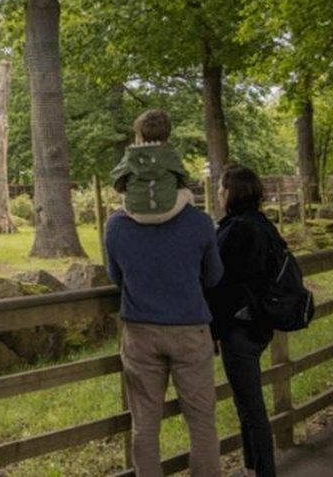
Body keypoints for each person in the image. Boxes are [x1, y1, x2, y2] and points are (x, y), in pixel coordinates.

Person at [105, 111, 224, 477]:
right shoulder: (200, 222)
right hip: (190, 328)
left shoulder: (116, 225)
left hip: (140, 330)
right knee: (201, 421)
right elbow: (215, 277)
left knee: (145, 423)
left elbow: (115, 277)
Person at [205, 164, 277, 477]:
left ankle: (263, 470)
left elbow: (221, 287)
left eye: (221, 188)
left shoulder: (234, 231)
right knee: (246, 404)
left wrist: (215, 331)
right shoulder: (263, 225)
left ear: (232, 192)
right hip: (260, 324)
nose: (218, 193)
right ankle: (252, 466)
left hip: (240, 328)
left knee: (250, 407)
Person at [111, 109, 193, 224]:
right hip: (168, 211)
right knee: (187, 193)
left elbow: (117, 181)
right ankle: (188, 225)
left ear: (139, 137)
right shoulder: (170, 154)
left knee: (126, 195)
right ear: (167, 135)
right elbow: (184, 179)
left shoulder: (131, 156)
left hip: (137, 213)